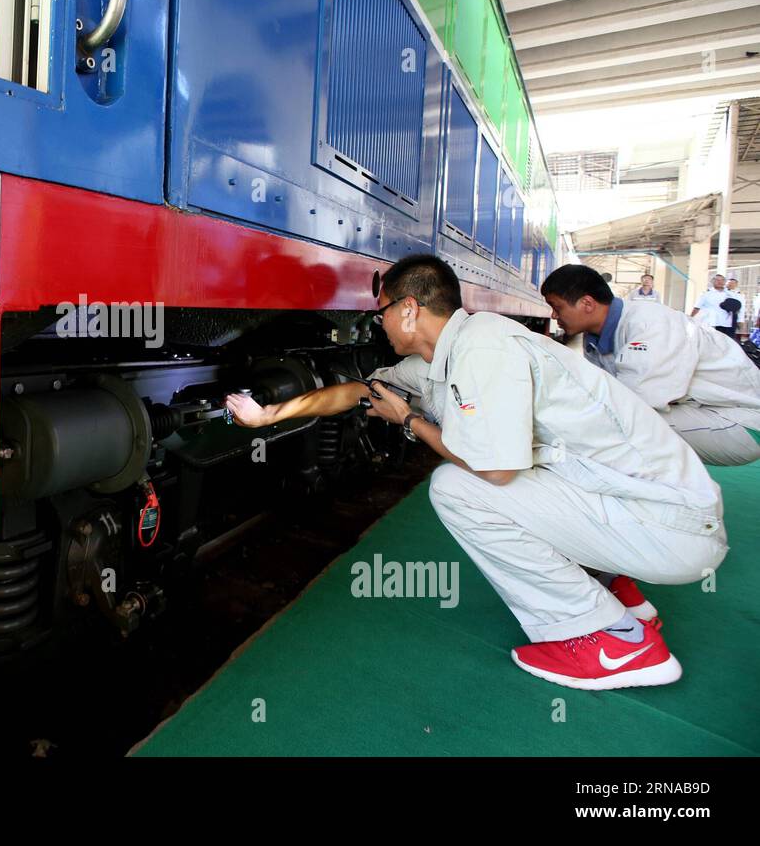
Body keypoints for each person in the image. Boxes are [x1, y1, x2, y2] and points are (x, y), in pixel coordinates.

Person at [226, 255, 727, 690]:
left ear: (408, 309)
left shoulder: (484, 348)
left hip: (670, 527)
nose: (376, 323)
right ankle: (624, 601)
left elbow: (497, 471)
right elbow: (362, 391)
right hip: (648, 511)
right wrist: (268, 415)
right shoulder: (450, 353)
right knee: (500, 480)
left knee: (458, 489)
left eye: (380, 312)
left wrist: (411, 421)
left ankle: (612, 644)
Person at [541, 264, 760, 466]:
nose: (553, 315)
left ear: (587, 303)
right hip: (703, 412)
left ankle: (678, 499)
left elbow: (631, 406)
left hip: (742, 423)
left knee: (617, 427)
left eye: (556, 307)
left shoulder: (650, 325)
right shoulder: (596, 339)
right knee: (607, 422)